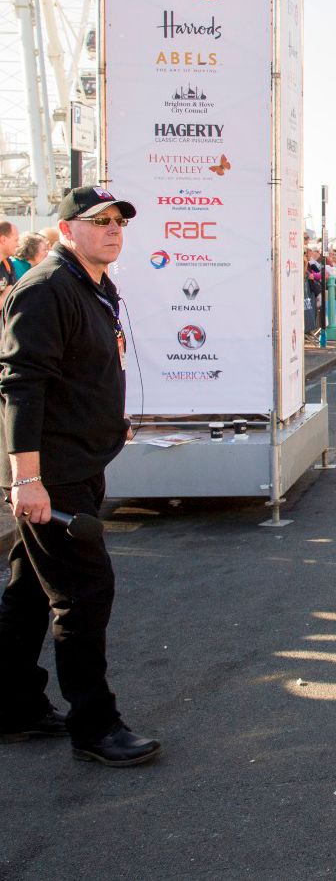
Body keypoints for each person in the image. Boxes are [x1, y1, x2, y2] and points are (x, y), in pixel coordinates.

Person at [0, 186, 161, 766]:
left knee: (26, 590)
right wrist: (27, 481)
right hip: (53, 475)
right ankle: (95, 726)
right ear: (68, 230)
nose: (114, 230)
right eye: (99, 221)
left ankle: (13, 704)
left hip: (82, 465)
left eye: (119, 221)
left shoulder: (94, 285)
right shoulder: (45, 289)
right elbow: (20, 386)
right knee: (84, 595)